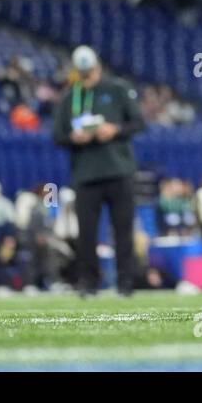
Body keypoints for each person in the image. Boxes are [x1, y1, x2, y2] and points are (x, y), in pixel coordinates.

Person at [51, 45, 145, 296]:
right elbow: (57, 135)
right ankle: (89, 283)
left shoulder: (117, 90)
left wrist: (115, 130)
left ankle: (126, 283)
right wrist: (73, 137)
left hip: (118, 170)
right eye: (82, 73)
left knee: (123, 230)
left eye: (89, 71)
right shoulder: (70, 97)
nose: (86, 77)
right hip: (85, 174)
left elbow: (138, 122)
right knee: (86, 233)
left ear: (98, 67)